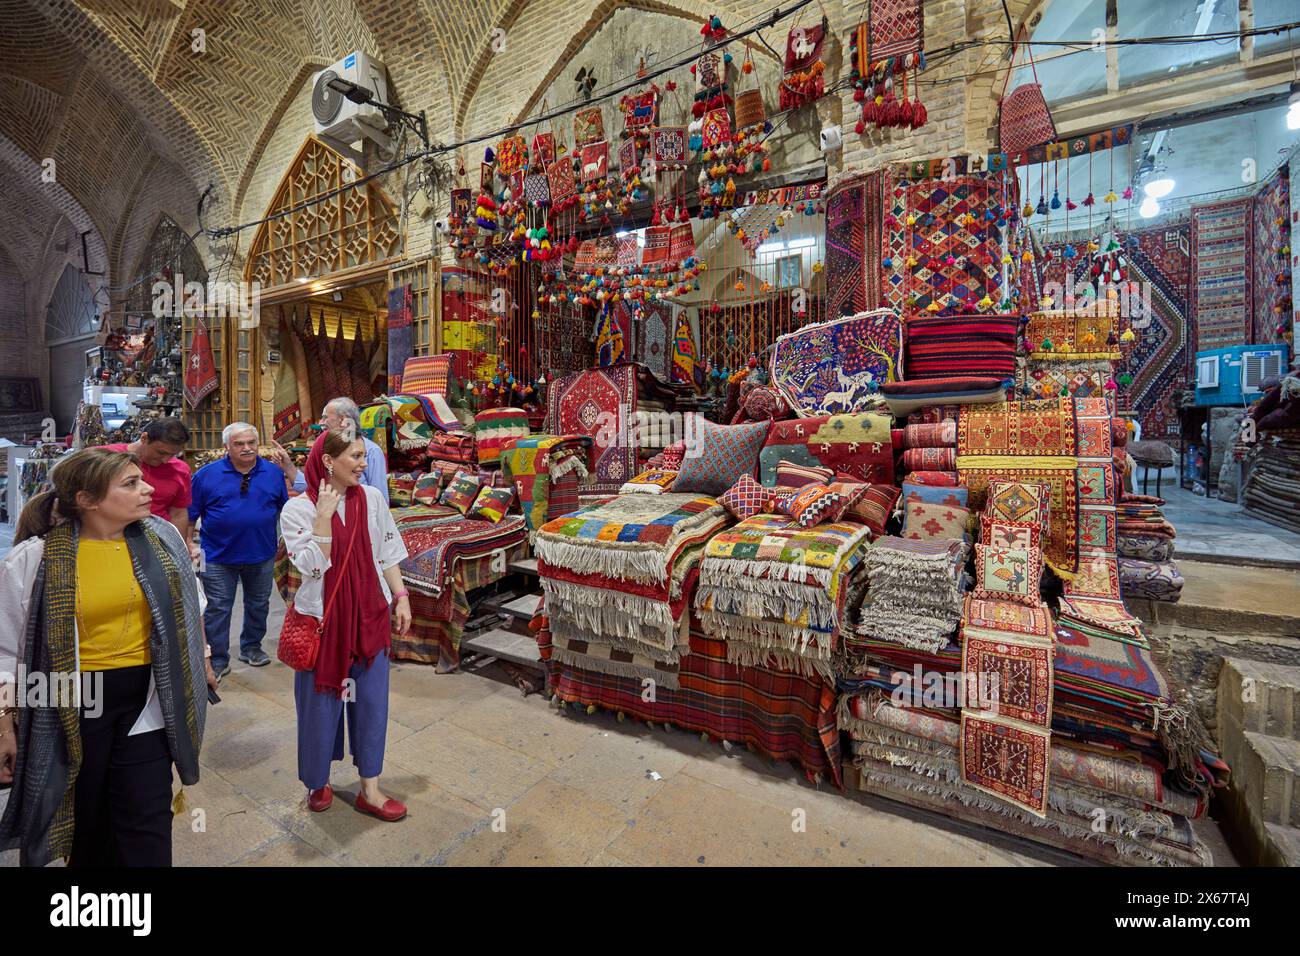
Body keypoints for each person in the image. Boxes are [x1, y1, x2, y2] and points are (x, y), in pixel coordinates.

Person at [0, 449, 212, 867]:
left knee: (147, 815)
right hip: (68, 695)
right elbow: (6, 647)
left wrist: (202, 658)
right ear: (87, 499)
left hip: (150, 697)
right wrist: (4, 720)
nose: (147, 488)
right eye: (130, 484)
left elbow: (192, 607)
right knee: (86, 816)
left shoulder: (161, 539)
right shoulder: (36, 558)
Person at [279, 429, 410, 821]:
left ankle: (370, 788)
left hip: (369, 618)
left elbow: (387, 552)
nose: (363, 464)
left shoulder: (371, 499)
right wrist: (322, 518)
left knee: (371, 703)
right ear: (327, 461)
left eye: (363, 456)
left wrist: (400, 597)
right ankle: (318, 781)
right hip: (325, 623)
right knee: (320, 707)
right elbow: (313, 567)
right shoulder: (297, 510)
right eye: (354, 456)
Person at [189, 422, 288, 676]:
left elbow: (283, 509)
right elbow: (190, 515)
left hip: (262, 553)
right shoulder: (205, 475)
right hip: (217, 555)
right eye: (239, 444)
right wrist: (188, 544)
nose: (246, 448)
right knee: (218, 608)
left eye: (251, 443)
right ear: (226, 447)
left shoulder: (273, 473)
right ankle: (218, 659)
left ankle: (251, 647)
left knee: (258, 604)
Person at [270, 397, 389, 504]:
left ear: (343, 420)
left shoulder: (372, 451)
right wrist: (287, 465)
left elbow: (380, 499)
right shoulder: (322, 449)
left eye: (325, 418)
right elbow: (312, 487)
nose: (321, 423)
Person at [102, 417, 194, 546]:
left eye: (173, 455)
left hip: (158, 542)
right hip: (109, 539)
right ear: (144, 438)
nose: (165, 460)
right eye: (161, 452)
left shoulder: (180, 470)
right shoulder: (105, 458)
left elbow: (178, 514)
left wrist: (178, 549)